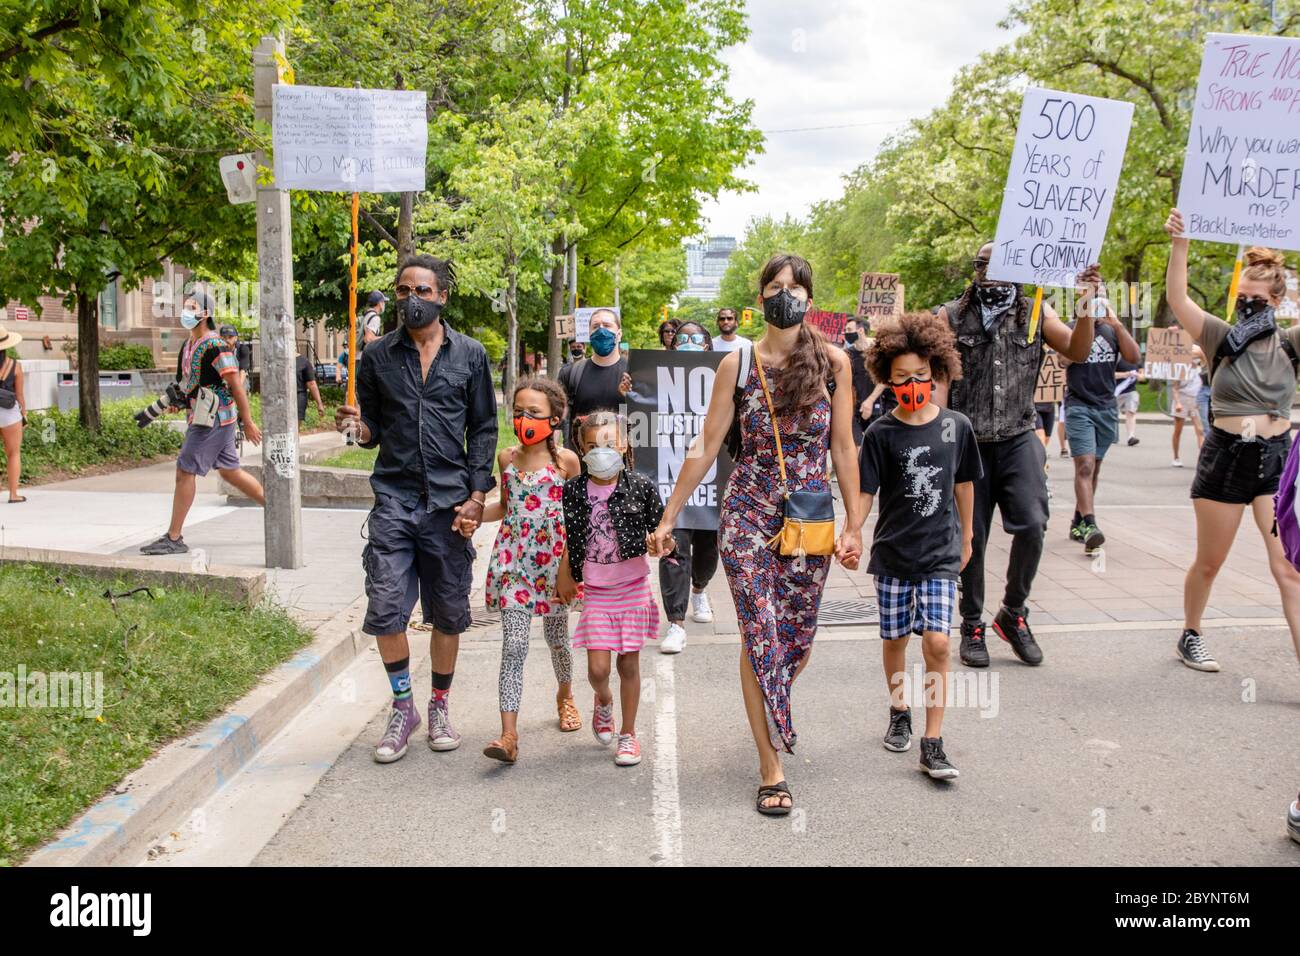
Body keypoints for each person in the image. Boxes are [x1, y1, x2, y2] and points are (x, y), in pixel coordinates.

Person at [649, 253, 863, 816]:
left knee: (795, 638)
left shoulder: (835, 363)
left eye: (794, 287)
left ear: (809, 299)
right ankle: (771, 766)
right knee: (759, 630)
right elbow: (708, 443)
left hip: (811, 513)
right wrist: (670, 514)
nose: (784, 294)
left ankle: (773, 704)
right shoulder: (737, 365)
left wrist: (856, 525)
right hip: (746, 510)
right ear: (760, 296)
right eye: (774, 286)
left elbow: (843, 447)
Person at [334, 254, 498, 761]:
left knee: (448, 614)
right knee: (385, 609)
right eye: (403, 291)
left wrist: (476, 496)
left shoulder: (470, 355)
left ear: (442, 296)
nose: (411, 299)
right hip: (394, 500)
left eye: (422, 291)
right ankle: (403, 707)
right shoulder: (377, 358)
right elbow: (371, 431)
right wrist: (356, 430)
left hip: (450, 506)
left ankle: (440, 704)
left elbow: (485, 429)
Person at [936, 242, 1100, 668]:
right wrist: (935, 437)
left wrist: (1085, 303)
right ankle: (971, 624)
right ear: (973, 271)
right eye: (982, 265)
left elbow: (1077, 351)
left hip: (1018, 435)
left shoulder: (1036, 312)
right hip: (967, 442)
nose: (989, 272)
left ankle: (1013, 612)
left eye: (999, 264)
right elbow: (936, 381)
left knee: (1032, 523)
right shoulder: (950, 316)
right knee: (972, 536)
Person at [1163, 209, 1300, 673]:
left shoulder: (1290, 344)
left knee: (1287, 568)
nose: (1246, 306)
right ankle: (1191, 632)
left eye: (1256, 300)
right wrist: (1181, 242)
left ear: (1277, 301)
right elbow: (1178, 297)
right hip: (1226, 456)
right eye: (1242, 298)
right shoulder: (1221, 337)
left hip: (1276, 462)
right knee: (1209, 562)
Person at [858, 311, 979, 780]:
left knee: (939, 642)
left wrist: (967, 535)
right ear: (887, 378)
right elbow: (867, 492)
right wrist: (852, 530)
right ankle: (898, 709)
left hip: (940, 555)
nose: (913, 384)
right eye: (902, 378)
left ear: (937, 371)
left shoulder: (956, 427)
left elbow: (965, 484)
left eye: (922, 376)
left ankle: (933, 741)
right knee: (895, 639)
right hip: (892, 555)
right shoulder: (880, 433)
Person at [479, 378, 583, 763]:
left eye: (534, 412)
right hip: (514, 564)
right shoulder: (507, 458)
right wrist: (473, 516)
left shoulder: (566, 462)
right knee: (515, 646)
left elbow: (578, 518)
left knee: (558, 640)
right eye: (519, 411)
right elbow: (505, 507)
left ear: (555, 419)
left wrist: (569, 570)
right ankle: (508, 735)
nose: (524, 419)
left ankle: (566, 695)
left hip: (555, 566)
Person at [556, 411, 666, 767]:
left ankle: (629, 734)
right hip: (597, 591)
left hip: (632, 585)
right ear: (581, 449)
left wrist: (660, 544)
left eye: (608, 444)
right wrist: (566, 575)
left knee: (629, 664)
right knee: (599, 670)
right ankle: (603, 702)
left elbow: (664, 533)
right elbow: (569, 537)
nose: (600, 452)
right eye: (592, 446)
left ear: (623, 445)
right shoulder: (572, 491)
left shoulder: (642, 487)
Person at [140, 291, 263, 555]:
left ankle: (174, 538)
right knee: (230, 471)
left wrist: (248, 421)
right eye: (185, 306)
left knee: (185, 470)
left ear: (205, 313)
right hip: (203, 415)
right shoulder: (188, 346)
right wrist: (176, 402)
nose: (185, 311)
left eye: (191, 307)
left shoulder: (216, 346)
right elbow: (187, 386)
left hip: (213, 419)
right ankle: (277, 510)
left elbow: (235, 386)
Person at [1061, 295, 1141, 554]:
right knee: (1084, 465)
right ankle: (1091, 526)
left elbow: (1133, 357)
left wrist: (1117, 324)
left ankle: (1078, 520)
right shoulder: (1070, 328)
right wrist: (1082, 334)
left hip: (1106, 407)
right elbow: (1063, 361)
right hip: (1078, 406)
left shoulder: (1111, 330)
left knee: (1093, 468)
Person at [658, 321, 721, 654]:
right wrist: (632, 392)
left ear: (708, 345)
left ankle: (699, 588)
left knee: (708, 551)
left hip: (711, 483)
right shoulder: (655, 379)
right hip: (672, 480)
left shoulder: (725, 377)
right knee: (673, 549)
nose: (689, 343)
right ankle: (675, 622)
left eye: (696, 339)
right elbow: (635, 419)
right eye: (682, 339)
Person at [557, 308, 631, 449]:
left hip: (621, 461)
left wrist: (630, 398)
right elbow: (559, 422)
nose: (601, 330)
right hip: (581, 462)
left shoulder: (633, 372)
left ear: (619, 334)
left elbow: (643, 420)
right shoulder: (570, 373)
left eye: (607, 325)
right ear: (589, 334)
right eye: (596, 326)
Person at [0, 325, 27, 503]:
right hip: (9, 413)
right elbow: (19, 395)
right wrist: (24, 413)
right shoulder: (15, 366)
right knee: (14, 453)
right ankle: (13, 494)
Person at [1170, 339, 1206, 467]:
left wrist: (1200, 354)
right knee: (1178, 430)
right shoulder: (1179, 368)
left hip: (1195, 399)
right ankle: (1176, 456)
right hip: (1182, 398)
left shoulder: (1199, 367)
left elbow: (1205, 360)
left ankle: (1202, 459)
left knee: (1200, 430)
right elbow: (1174, 388)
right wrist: (1178, 402)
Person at [295, 343, 325, 427]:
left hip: (298, 398)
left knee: (294, 427)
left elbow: (312, 384)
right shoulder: (278, 361)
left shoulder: (304, 362)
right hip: (280, 399)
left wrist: (319, 404)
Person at [1115, 358, 1142, 446]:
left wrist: (1140, 376)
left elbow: (1143, 376)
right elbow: (1109, 374)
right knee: (1111, 415)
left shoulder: (1136, 360)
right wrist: (1126, 374)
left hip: (1131, 391)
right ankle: (1111, 435)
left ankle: (1131, 437)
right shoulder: (1117, 358)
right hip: (1115, 391)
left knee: (1131, 412)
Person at [220, 325, 253, 392]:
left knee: (242, 389)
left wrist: (238, 388)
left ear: (236, 338)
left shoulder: (242, 349)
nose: (227, 340)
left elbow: (242, 370)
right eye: (224, 337)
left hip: (239, 377)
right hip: (224, 378)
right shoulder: (217, 351)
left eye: (230, 337)